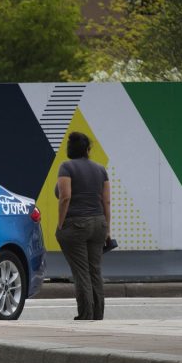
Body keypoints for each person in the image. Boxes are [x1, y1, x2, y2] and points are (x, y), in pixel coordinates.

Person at [55, 131, 112, 321]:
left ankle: (86, 314)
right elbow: (107, 202)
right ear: (87, 150)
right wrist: (108, 229)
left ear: (70, 150)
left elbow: (65, 197)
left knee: (81, 271)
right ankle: (98, 314)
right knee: (94, 269)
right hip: (98, 224)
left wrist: (60, 224)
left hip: (76, 224)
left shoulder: (66, 167)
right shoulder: (100, 169)